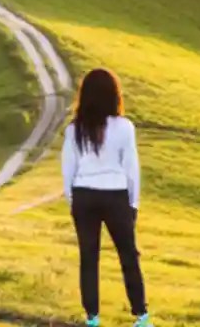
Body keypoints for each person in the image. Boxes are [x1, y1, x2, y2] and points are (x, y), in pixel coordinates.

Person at [61, 68, 150, 327]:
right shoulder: (125, 127)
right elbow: (131, 168)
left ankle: (92, 319)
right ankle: (141, 317)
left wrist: (72, 202)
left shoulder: (74, 130)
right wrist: (134, 204)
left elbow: (69, 169)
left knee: (89, 258)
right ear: (114, 95)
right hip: (116, 196)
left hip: (84, 195)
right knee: (128, 256)